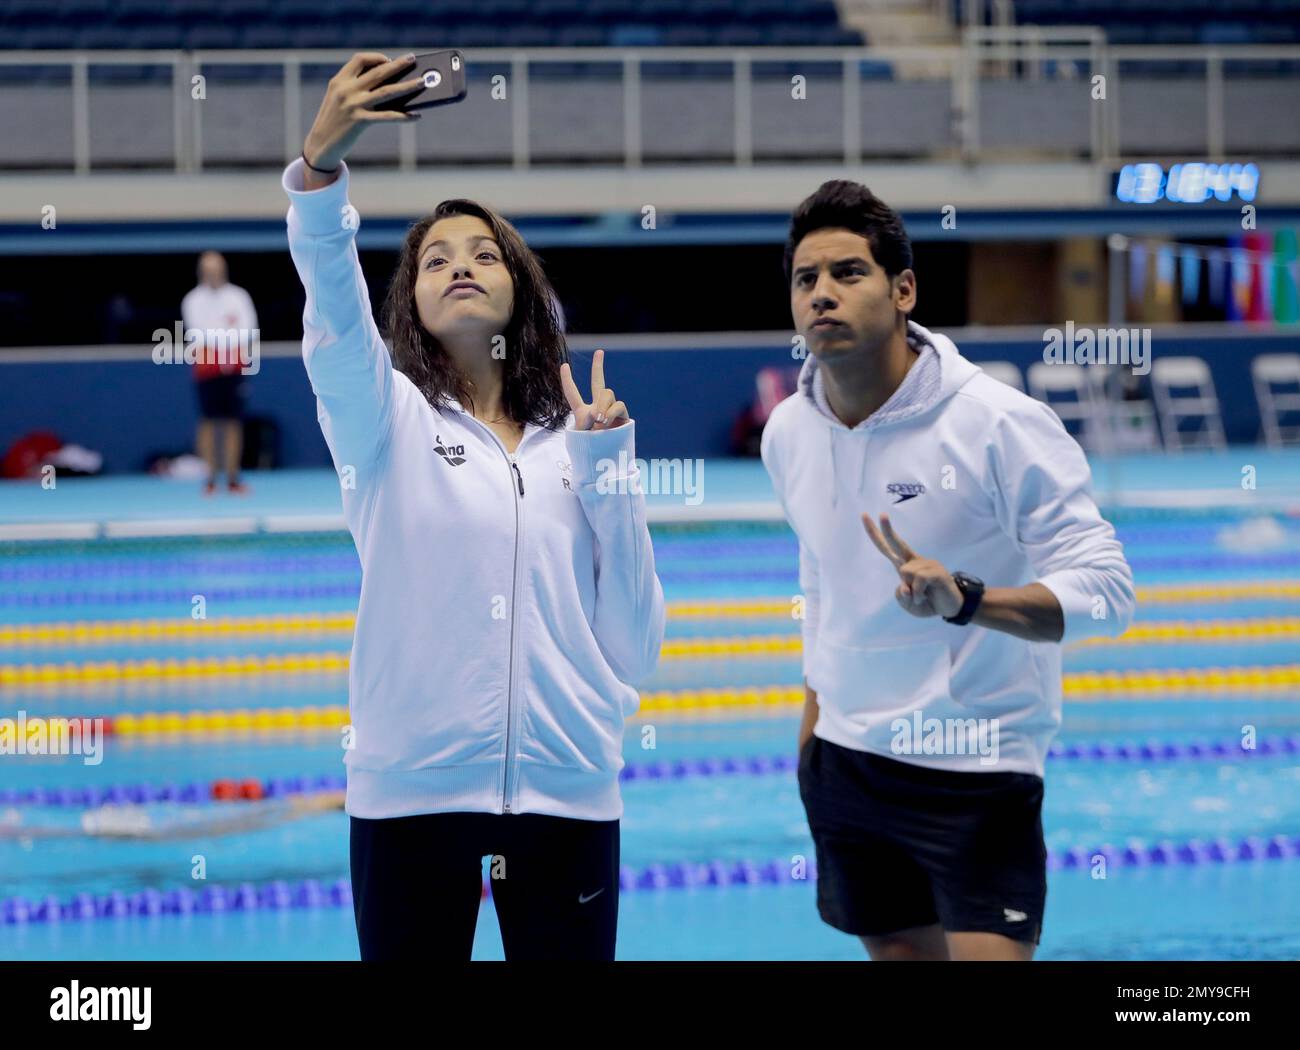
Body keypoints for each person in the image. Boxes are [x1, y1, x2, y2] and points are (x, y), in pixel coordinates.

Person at [283, 53, 665, 962]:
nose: (460, 265)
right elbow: (334, 314)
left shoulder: (580, 442)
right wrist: (320, 173)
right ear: (409, 300)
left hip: (569, 801)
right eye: (437, 259)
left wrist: (608, 469)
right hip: (412, 800)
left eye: (484, 253)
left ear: (520, 292)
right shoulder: (384, 423)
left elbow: (638, 649)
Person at [761, 180, 1136, 961]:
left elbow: (1108, 590)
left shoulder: (998, 424)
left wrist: (970, 600)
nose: (822, 295)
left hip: (977, 769)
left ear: (904, 291)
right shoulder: (790, 430)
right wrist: (813, 722)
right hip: (847, 765)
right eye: (806, 280)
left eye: (847, 274)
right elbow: (820, 578)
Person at [181, 251, 256, 494]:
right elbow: (197, 334)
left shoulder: (238, 296)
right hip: (207, 368)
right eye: (208, 270)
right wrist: (225, 339)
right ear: (201, 272)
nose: (213, 274)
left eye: (217, 269)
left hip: (234, 366)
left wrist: (224, 341)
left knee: (234, 422)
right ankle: (210, 478)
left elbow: (248, 329)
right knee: (208, 422)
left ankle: (233, 477)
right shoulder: (192, 300)